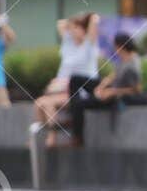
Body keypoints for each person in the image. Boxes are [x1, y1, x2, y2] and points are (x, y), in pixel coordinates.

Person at [33, 12, 101, 148]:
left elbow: (95, 20)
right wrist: (72, 24)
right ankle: (48, 133)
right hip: (61, 90)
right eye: (72, 28)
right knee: (39, 103)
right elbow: (60, 24)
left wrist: (88, 19)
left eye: (77, 28)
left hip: (79, 92)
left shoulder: (89, 45)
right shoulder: (68, 44)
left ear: (84, 30)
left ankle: (52, 137)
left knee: (48, 104)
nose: (73, 31)